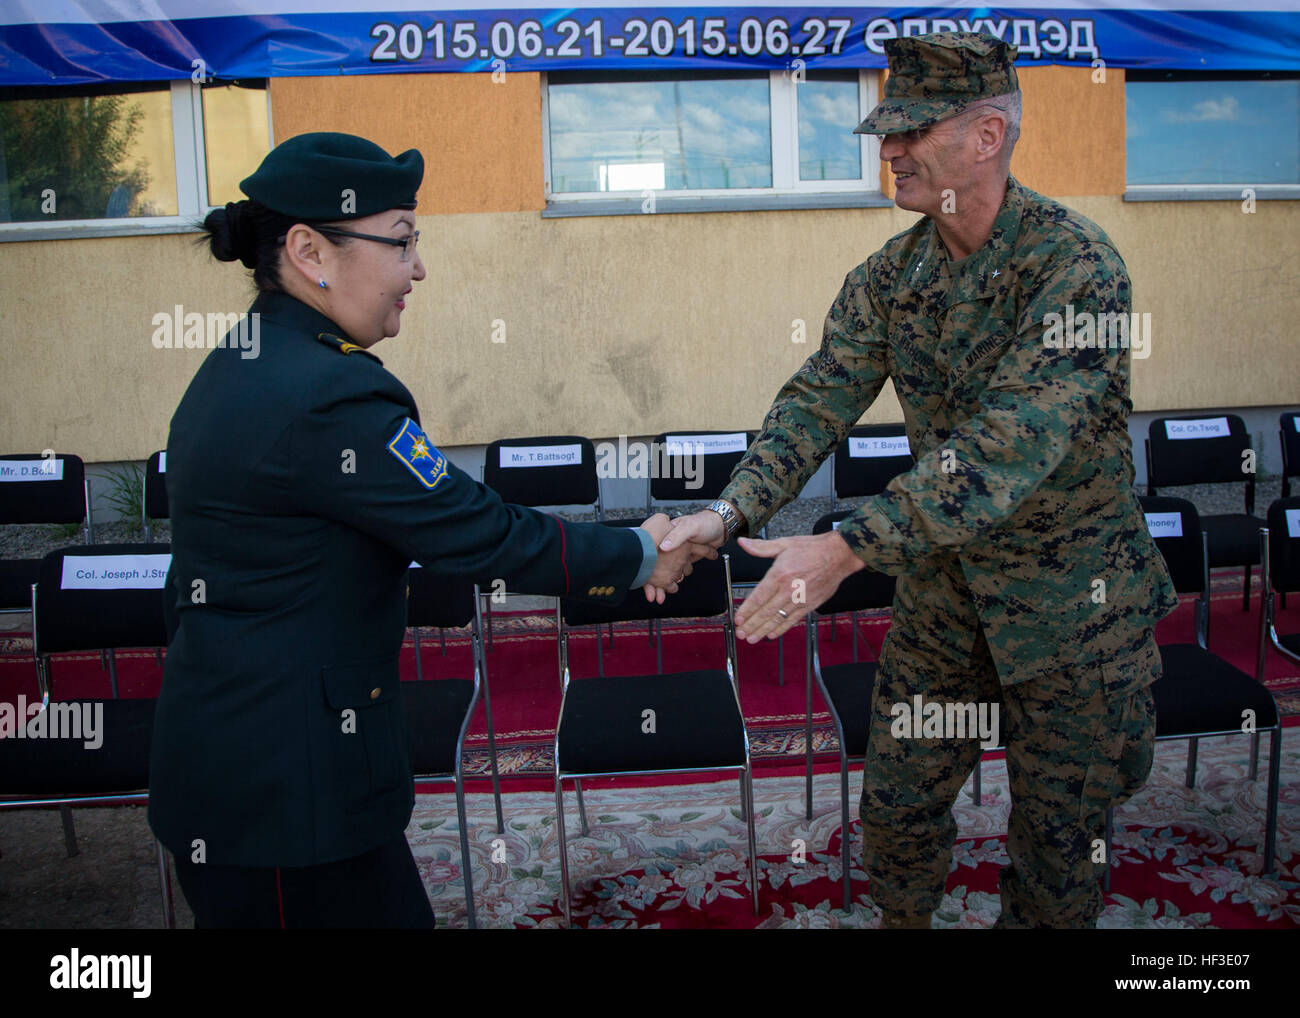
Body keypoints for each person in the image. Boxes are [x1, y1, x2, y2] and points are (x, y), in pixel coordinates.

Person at [660, 33, 1179, 928]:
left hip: (1072, 614)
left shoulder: (1077, 269)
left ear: (986, 136)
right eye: (883, 130)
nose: (887, 149)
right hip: (946, 601)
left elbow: (1008, 444)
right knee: (897, 816)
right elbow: (818, 399)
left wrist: (846, 547)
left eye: (909, 131)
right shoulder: (890, 277)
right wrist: (726, 509)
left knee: (1057, 855)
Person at [149, 132, 710, 928]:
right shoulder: (327, 395)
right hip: (288, 796)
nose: (419, 269)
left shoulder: (251, 360)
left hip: (246, 763)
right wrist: (640, 552)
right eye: (402, 243)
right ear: (311, 250)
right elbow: (472, 531)